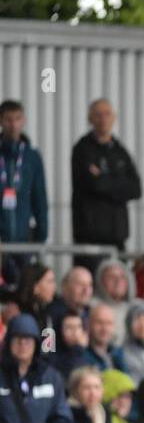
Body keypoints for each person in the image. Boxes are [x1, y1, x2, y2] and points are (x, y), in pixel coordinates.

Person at [70, 98, 141, 272]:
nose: (103, 119)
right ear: (90, 118)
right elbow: (93, 185)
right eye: (98, 115)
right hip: (90, 238)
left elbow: (136, 189)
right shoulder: (82, 149)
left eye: (107, 114)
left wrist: (104, 177)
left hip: (117, 237)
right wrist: (117, 183)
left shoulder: (120, 151)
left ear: (114, 118)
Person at [0, 100, 49, 286]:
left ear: (24, 121)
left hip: (24, 239)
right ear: (1, 121)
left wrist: (40, 236)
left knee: (24, 288)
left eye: (17, 119)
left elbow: (40, 198)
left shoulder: (31, 156)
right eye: (8, 119)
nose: (13, 125)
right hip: (1, 239)